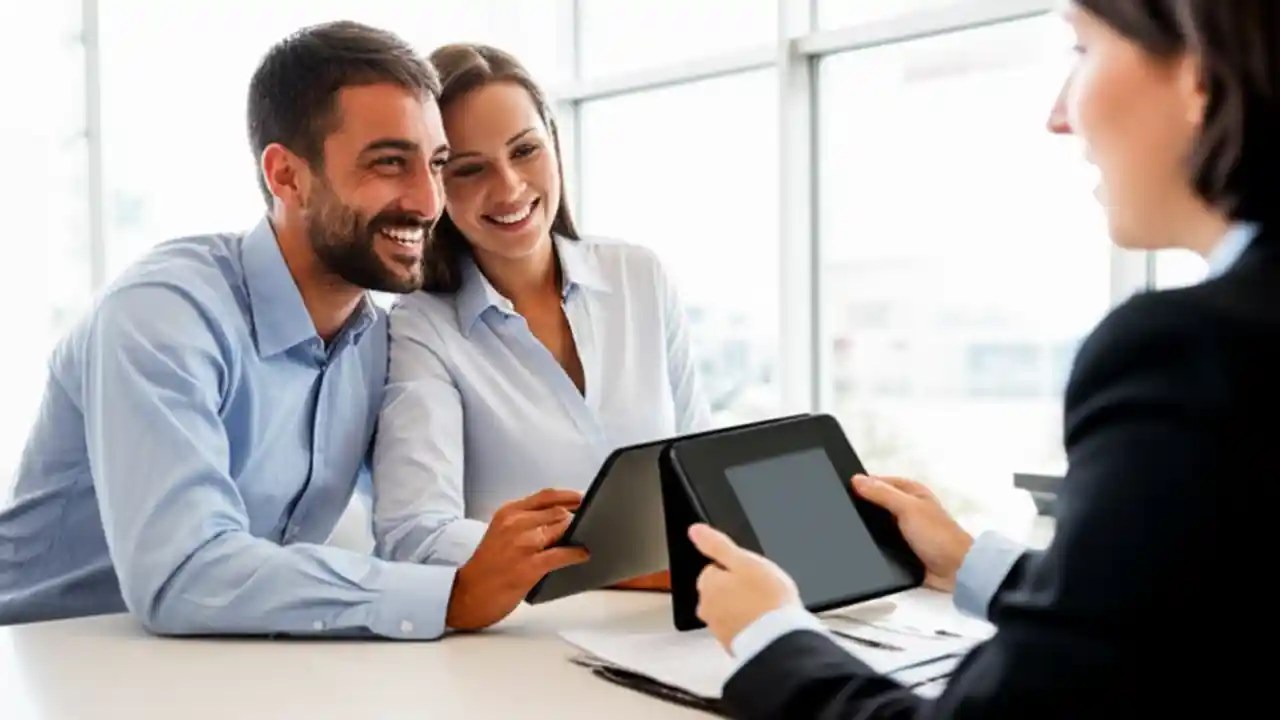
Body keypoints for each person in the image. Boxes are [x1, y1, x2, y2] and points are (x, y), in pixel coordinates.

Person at [687, 0, 1280, 716]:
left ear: (1199, 74)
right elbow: (1191, 611)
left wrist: (771, 636)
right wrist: (973, 563)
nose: (1060, 115)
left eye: (1082, 51)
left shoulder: (1190, 353)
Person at [0, 21, 587, 636]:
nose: (427, 201)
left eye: (436, 164)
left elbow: (419, 519)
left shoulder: (375, 343)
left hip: (218, 665)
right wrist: (449, 597)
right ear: (286, 176)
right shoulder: (163, 315)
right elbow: (182, 574)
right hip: (41, 663)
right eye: (389, 163)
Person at [371, 42, 712, 627]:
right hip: (526, 641)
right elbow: (414, 536)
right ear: (435, 183)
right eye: (469, 169)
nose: (508, 189)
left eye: (525, 150)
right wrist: (630, 565)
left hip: (676, 625)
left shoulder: (639, 276)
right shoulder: (420, 326)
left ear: (554, 142)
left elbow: (703, 469)